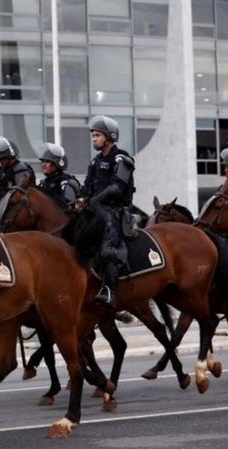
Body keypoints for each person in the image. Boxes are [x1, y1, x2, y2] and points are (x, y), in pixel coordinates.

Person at [76, 115, 135, 306]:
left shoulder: (122, 158)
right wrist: (80, 200)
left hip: (114, 211)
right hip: (95, 211)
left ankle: (111, 292)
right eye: (93, 135)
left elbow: (116, 189)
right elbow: (86, 187)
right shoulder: (94, 162)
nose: (94, 138)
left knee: (107, 250)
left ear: (109, 136)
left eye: (97, 135)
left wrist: (92, 201)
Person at [0, 136, 35, 202]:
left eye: (3, 158)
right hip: (7, 202)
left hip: (20, 205)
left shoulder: (20, 169)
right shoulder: (3, 170)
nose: (0, 161)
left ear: (11, 156)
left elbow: (21, 194)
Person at [37, 142, 80, 207]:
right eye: (43, 161)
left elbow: (68, 207)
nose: (43, 165)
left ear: (58, 163)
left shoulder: (66, 182)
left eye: (47, 161)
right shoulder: (44, 183)